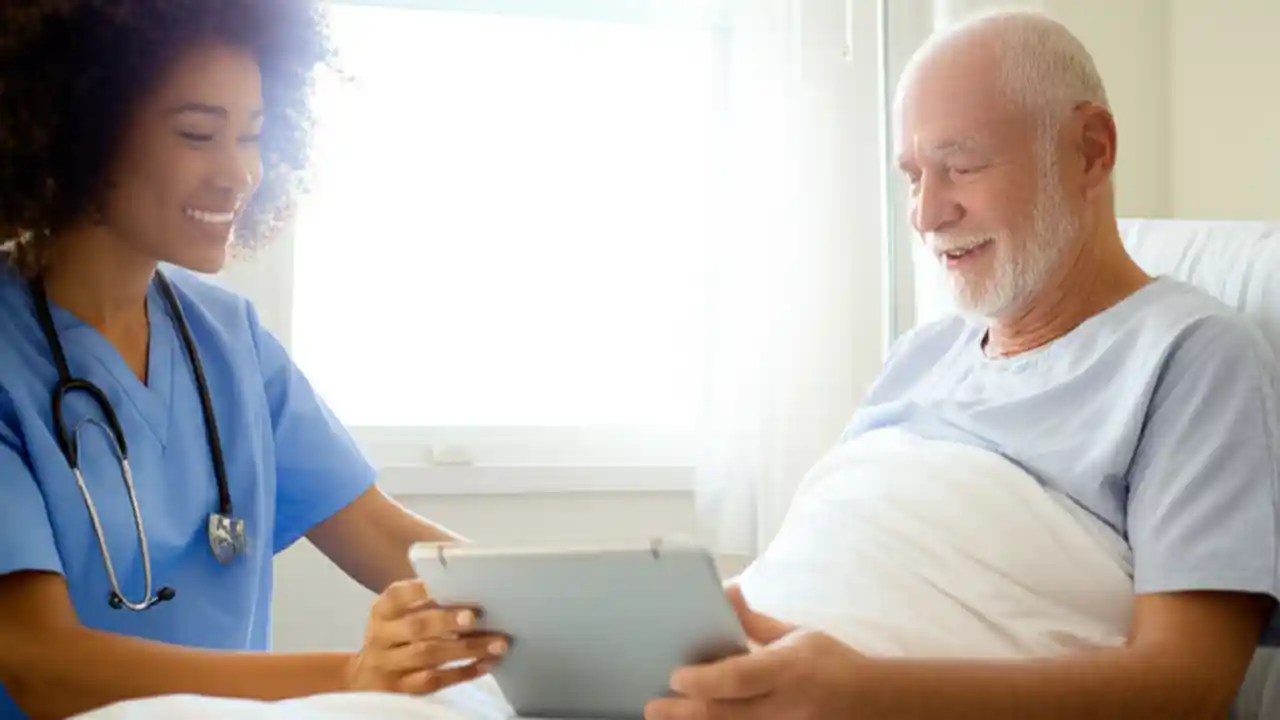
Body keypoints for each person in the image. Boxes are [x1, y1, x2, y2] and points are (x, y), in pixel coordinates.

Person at [647, 11, 1280, 720]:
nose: (925, 213)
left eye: (962, 166)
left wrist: (864, 697)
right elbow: (829, 571)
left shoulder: (1191, 357)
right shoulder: (922, 354)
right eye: (913, 176)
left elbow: (1187, 688)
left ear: (1090, 151)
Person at [0, 3, 508, 718]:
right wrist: (355, 673)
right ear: (81, 130)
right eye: (198, 134)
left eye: (253, 136)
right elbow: (39, 663)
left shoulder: (227, 338)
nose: (239, 172)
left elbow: (382, 535)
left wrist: (587, 613)